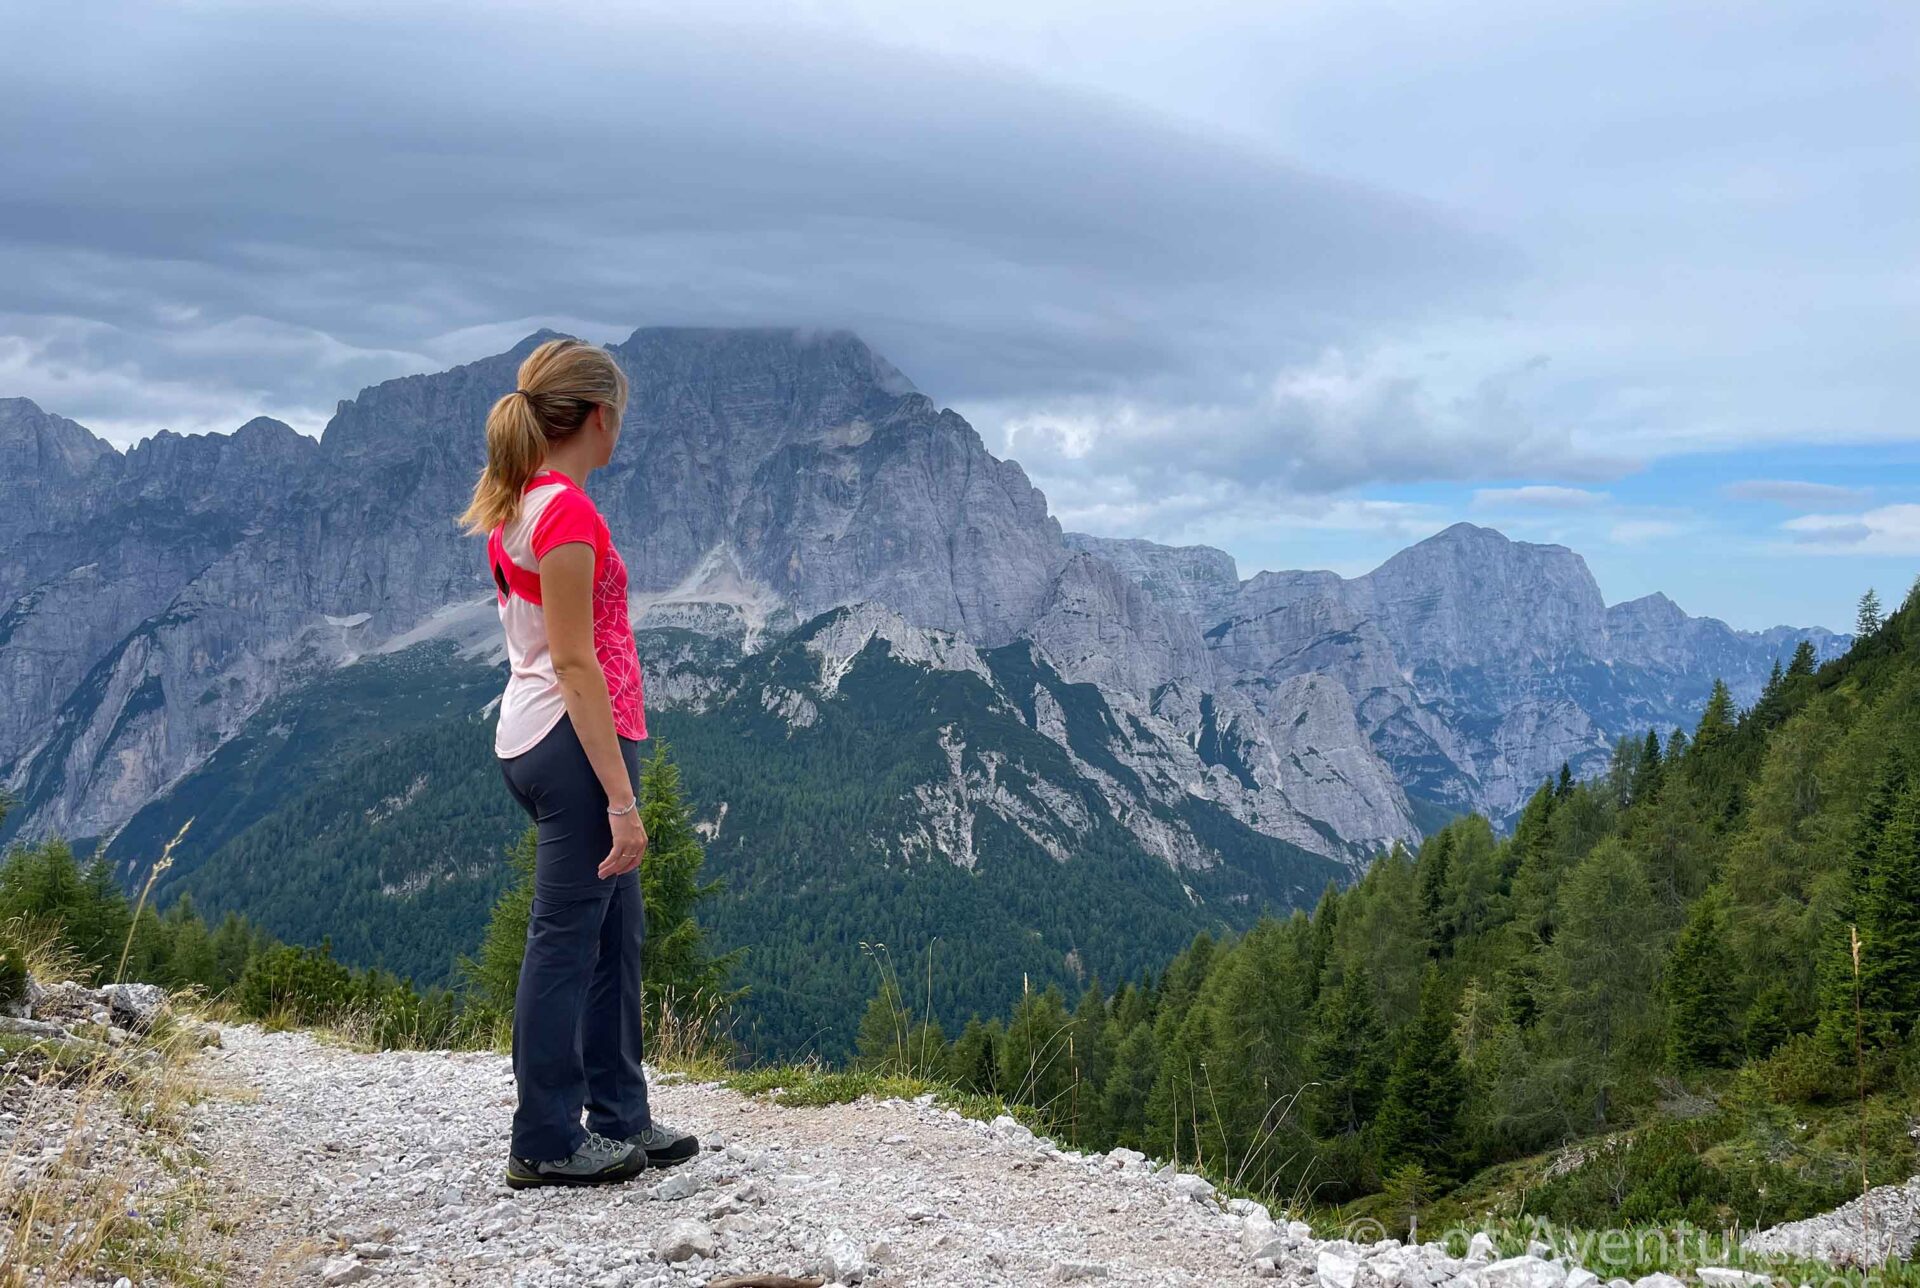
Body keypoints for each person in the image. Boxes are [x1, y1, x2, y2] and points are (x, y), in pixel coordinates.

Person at [460, 337, 698, 1188]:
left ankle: (620, 1115)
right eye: (619, 414)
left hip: (546, 736)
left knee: (615, 934)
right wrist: (622, 801)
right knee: (565, 942)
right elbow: (573, 661)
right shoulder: (563, 514)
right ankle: (544, 1140)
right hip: (570, 744)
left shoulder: (520, 499)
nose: (620, 428)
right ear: (600, 416)